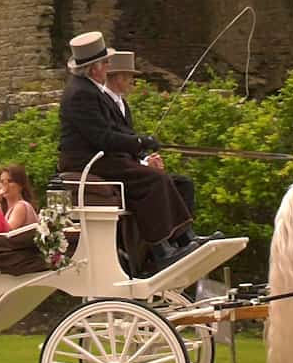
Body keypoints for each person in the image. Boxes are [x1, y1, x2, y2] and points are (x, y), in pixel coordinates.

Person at [58, 32, 210, 272]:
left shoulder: (90, 90)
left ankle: (183, 238)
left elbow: (111, 134)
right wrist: (140, 142)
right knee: (152, 179)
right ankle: (160, 250)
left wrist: (141, 149)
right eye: (106, 62)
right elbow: (102, 137)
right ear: (95, 67)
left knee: (175, 182)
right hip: (88, 162)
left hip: (103, 157)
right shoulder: (81, 94)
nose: (108, 66)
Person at [102, 51, 196, 219]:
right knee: (158, 181)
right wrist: (143, 163)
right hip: (117, 167)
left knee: (184, 184)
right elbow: (115, 142)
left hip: (130, 163)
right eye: (130, 77)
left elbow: (130, 141)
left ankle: (184, 236)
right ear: (120, 78)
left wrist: (146, 159)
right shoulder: (102, 102)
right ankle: (164, 241)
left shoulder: (122, 103)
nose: (132, 82)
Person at [0, 163, 39, 230]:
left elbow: (5, 230)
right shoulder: (10, 209)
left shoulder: (21, 206)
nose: (5, 185)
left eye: (10, 181)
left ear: (20, 185)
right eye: (2, 181)